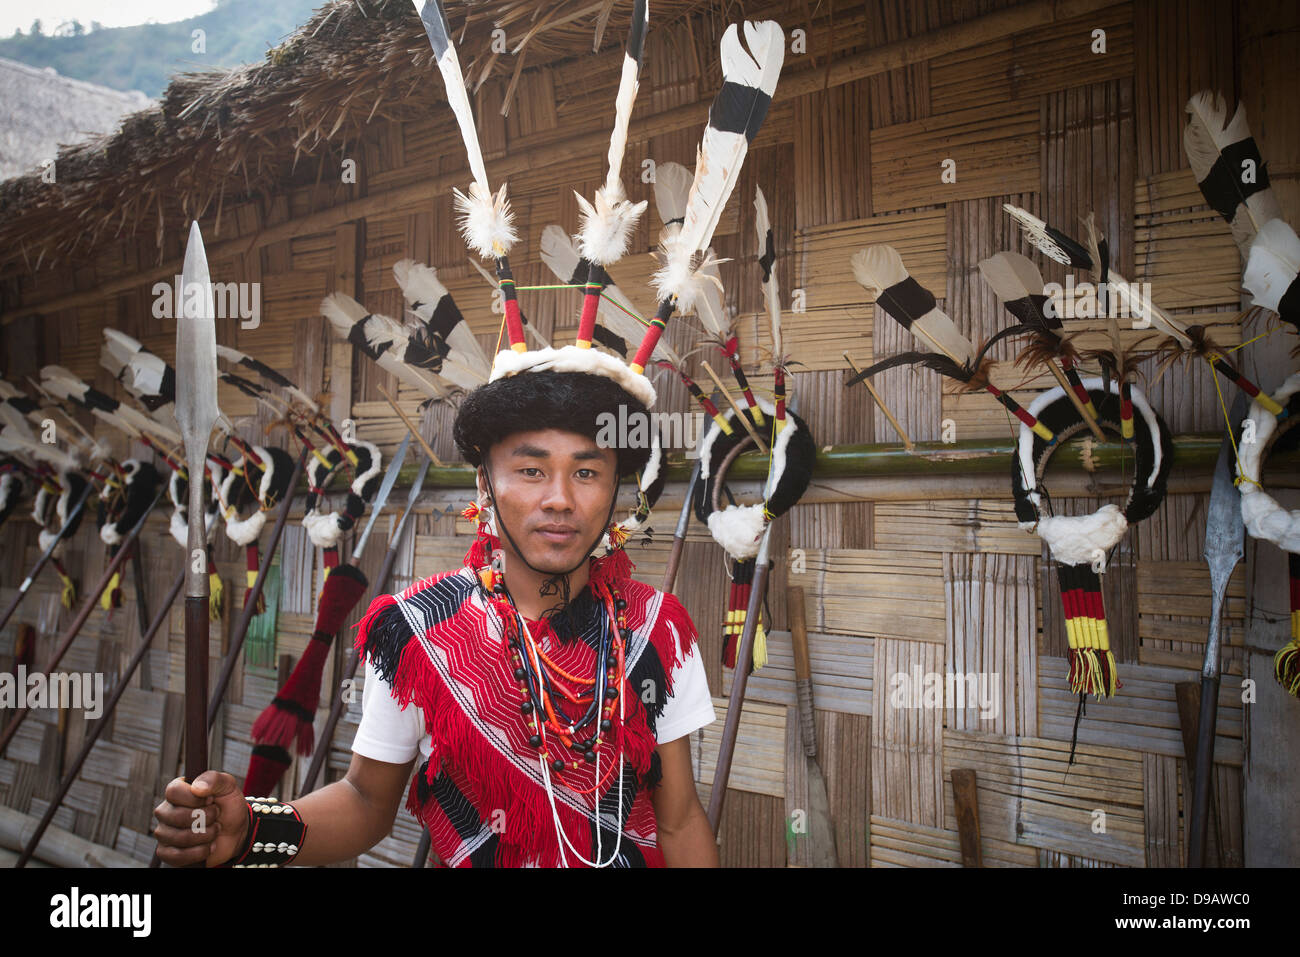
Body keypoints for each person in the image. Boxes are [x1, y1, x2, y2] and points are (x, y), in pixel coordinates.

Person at [154, 368, 719, 868]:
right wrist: (254, 829)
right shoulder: (417, 633)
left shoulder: (653, 631)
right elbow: (366, 803)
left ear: (614, 490)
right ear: (484, 485)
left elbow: (679, 820)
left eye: (587, 473)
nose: (559, 499)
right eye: (530, 470)